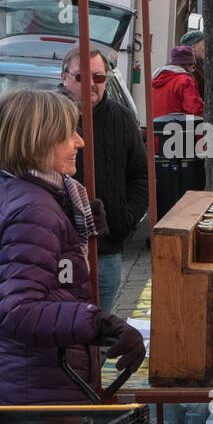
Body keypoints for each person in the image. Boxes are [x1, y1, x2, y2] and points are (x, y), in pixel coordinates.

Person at [0, 88, 145, 405]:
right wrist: (96, 321)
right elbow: (20, 311)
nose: (80, 141)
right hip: (41, 390)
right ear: (39, 140)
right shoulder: (34, 211)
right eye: (68, 134)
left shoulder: (3, 186)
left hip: (21, 382)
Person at [58, 44, 149, 315]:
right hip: (60, 252)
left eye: (98, 78)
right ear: (64, 78)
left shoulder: (120, 119)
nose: (92, 85)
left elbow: (141, 175)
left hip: (106, 251)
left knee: (100, 331)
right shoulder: (50, 117)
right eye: (82, 77)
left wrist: (126, 218)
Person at [151, 44, 205, 118]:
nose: (192, 71)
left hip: (155, 126)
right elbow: (195, 110)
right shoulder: (185, 81)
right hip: (177, 127)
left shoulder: (156, 79)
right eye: (192, 67)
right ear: (188, 65)